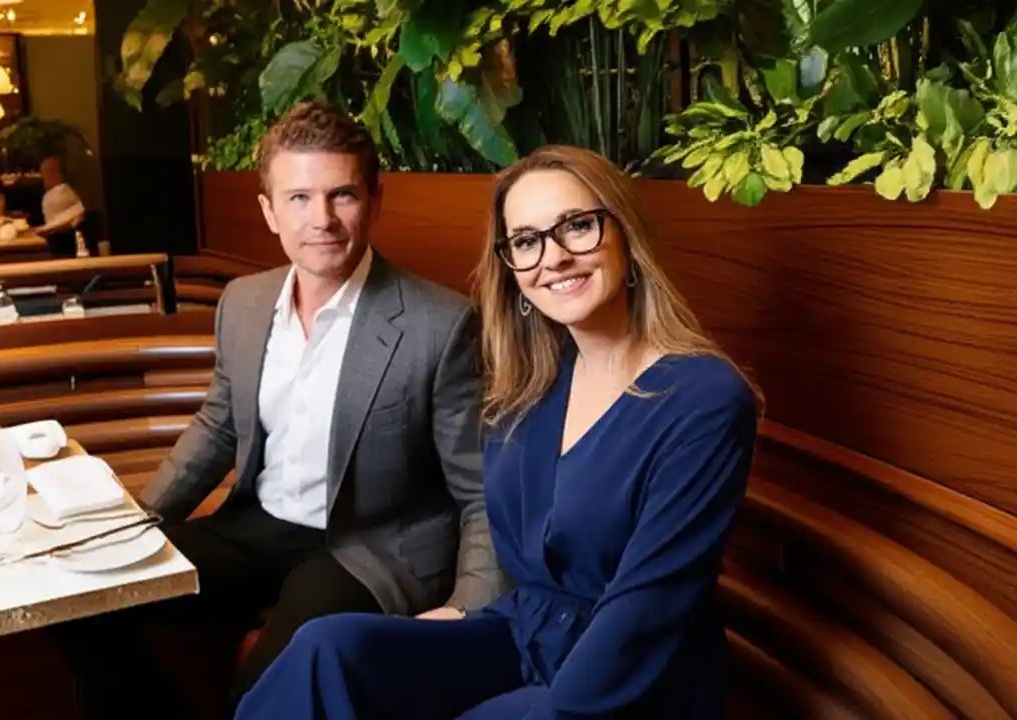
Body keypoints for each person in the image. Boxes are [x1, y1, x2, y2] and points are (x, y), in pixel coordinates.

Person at [233, 145, 763, 720]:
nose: (553, 258)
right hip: (524, 636)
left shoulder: (703, 399)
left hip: (633, 679)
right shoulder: (533, 387)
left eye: (578, 226)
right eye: (527, 241)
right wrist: (464, 615)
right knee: (327, 649)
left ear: (626, 235)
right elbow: (522, 570)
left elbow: (649, 611)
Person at [53, 101, 505, 719]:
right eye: (298, 198)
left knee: (264, 697)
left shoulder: (439, 323)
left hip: (365, 545)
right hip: (254, 525)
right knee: (82, 602)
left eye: (341, 195)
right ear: (268, 210)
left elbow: (480, 490)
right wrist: (139, 523)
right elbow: (218, 424)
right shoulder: (243, 301)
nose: (321, 219)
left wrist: (469, 609)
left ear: (374, 200)